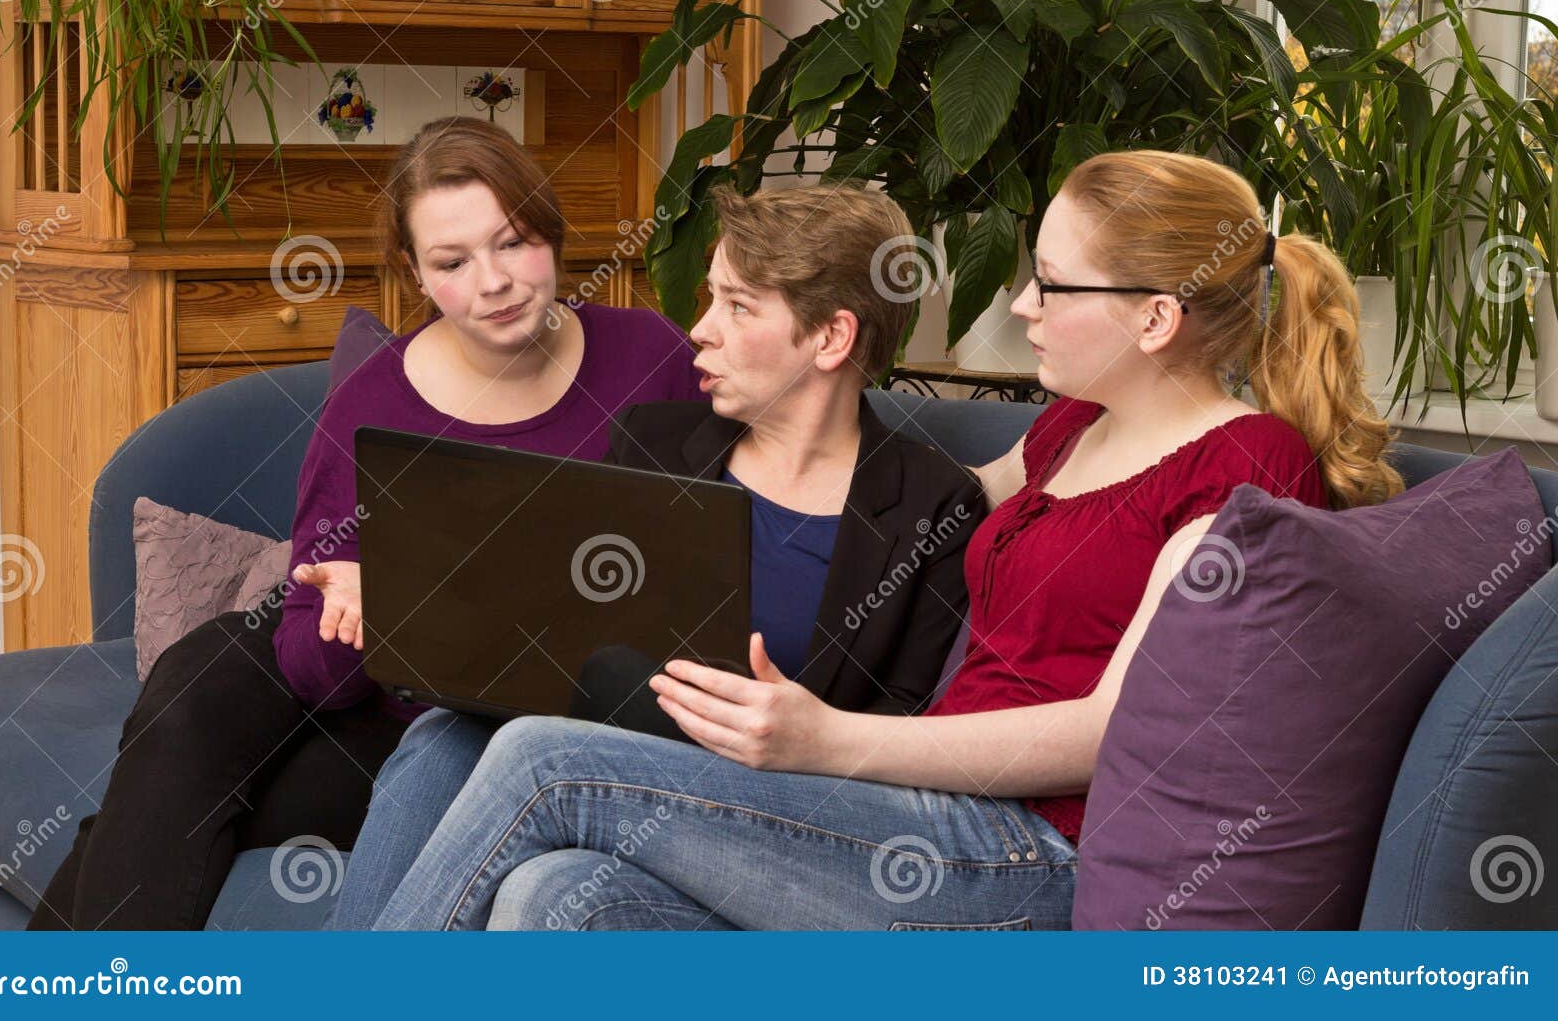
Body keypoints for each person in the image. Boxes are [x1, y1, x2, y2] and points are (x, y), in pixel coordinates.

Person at [360, 149, 1405, 931]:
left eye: (1054, 282)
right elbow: (919, 499)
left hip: (1022, 855)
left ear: (1155, 319)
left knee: (543, 764)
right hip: (914, 817)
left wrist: (828, 739)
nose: (1024, 304)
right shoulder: (1069, 430)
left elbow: (1106, 728)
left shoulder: (1244, 460)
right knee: (560, 894)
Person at [29, 116, 706, 929]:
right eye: (453, 262)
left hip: (453, 716)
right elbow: (314, 661)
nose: (493, 281)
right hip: (357, 660)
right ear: (417, 273)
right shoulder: (375, 399)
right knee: (189, 700)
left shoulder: (651, 358)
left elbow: (706, 554)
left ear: (552, 235)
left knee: (154, 816)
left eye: (514, 242)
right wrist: (371, 610)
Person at [326, 183, 987, 927]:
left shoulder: (934, 505)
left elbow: (899, 743)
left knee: (534, 797)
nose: (700, 329)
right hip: (606, 761)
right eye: (710, 297)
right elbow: (563, 629)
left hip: (764, 814)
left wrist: (795, 729)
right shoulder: (652, 440)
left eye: (738, 306)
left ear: (831, 337)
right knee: (445, 734)